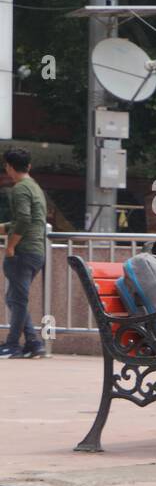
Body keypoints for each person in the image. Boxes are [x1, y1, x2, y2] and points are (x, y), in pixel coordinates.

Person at [1, 149, 49, 359]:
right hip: (36, 250)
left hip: (24, 251)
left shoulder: (20, 189)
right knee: (15, 298)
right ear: (28, 166)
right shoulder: (35, 187)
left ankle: (12, 345)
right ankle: (33, 342)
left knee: (17, 299)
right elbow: (30, 219)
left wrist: (10, 246)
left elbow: (23, 219)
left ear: (9, 167)